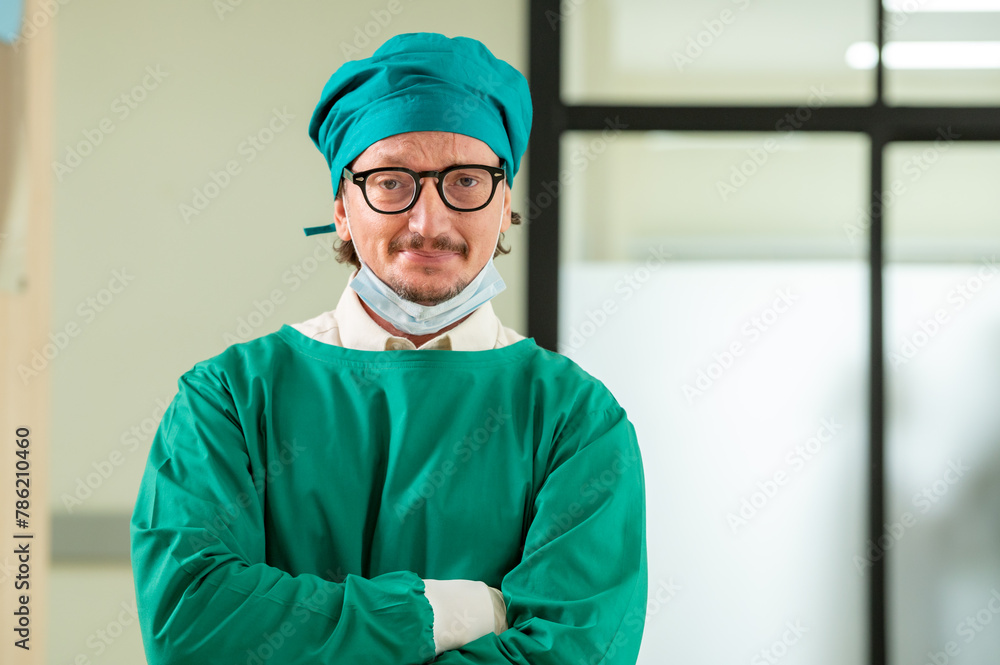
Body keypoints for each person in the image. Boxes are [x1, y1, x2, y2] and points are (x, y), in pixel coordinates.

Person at [130, 32, 647, 665]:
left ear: (506, 203)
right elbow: (191, 622)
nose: (429, 222)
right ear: (343, 208)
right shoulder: (230, 400)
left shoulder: (575, 421)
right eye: (392, 182)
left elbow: (576, 654)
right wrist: (448, 613)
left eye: (465, 181)